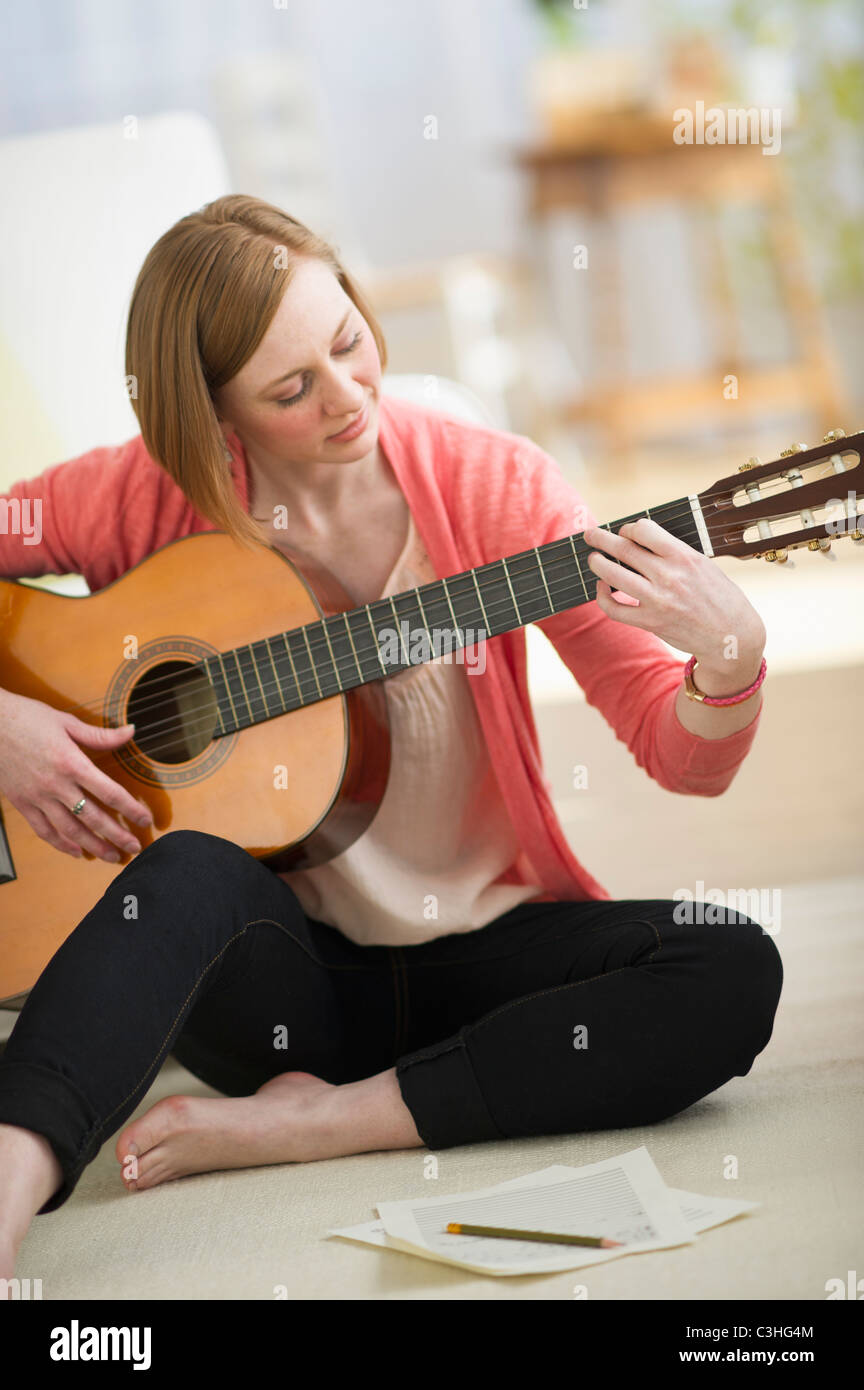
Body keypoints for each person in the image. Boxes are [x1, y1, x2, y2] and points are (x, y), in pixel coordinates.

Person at [0, 195, 782, 1281]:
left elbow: (676, 750)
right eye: (290, 389)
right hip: (281, 986)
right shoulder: (136, 495)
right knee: (175, 873)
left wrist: (728, 661)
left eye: (348, 340)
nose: (347, 394)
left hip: (491, 950)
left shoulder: (497, 487)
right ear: (213, 415)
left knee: (731, 963)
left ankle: (321, 1123)